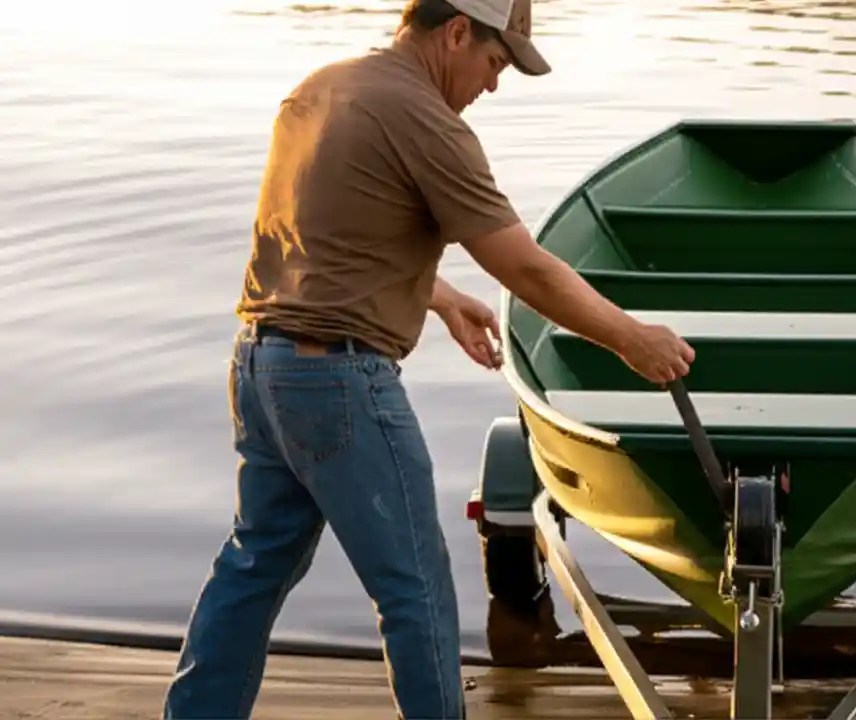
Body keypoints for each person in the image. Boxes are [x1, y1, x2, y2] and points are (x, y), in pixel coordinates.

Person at [161, 0, 695, 717]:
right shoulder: (428, 121)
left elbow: (321, 237)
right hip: (338, 381)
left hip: (262, 367)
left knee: (254, 564)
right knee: (416, 588)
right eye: (494, 63)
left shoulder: (321, 88)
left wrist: (438, 297)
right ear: (454, 34)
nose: (493, 85)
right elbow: (527, 270)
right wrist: (634, 339)